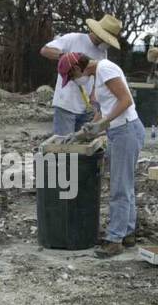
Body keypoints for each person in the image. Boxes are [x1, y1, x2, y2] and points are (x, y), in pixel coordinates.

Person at [76, 51, 144, 257]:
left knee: (119, 188)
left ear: (79, 68)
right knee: (125, 184)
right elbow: (105, 109)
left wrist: (103, 124)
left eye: (72, 76)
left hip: (125, 130)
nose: (75, 80)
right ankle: (127, 232)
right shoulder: (99, 74)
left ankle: (115, 239)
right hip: (119, 131)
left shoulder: (105, 68)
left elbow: (125, 100)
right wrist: (88, 128)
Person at [40, 14, 122, 135]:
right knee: (64, 147)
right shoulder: (74, 39)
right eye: (105, 38)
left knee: (82, 145)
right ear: (97, 32)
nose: (106, 42)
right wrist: (67, 58)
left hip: (86, 106)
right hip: (66, 104)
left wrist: (94, 94)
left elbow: (98, 74)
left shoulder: (102, 52)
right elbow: (45, 50)